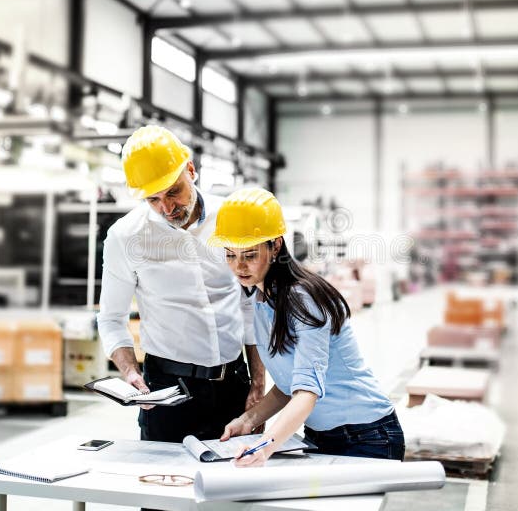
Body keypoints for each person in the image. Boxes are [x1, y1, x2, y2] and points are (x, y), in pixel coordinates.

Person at [208, 187, 404, 466]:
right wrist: (247, 420)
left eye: (249, 255)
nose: (239, 266)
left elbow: (307, 392)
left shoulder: (303, 299)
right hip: (320, 435)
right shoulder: (261, 301)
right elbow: (288, 386)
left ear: (275, 246)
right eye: (230, 255)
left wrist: (264, 447)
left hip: (367, 437)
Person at [97, 126, 265, 443]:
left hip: (233, 383)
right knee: (166, 473)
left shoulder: (231, 218)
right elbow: (110, 318)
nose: (166, 208)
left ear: (190, 169)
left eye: (173, 191)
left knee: (238, 470)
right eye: (153, 199)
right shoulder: (125, 237)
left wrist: (258, 383)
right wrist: (130, 372)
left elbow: (249, 306)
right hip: (167, 391)